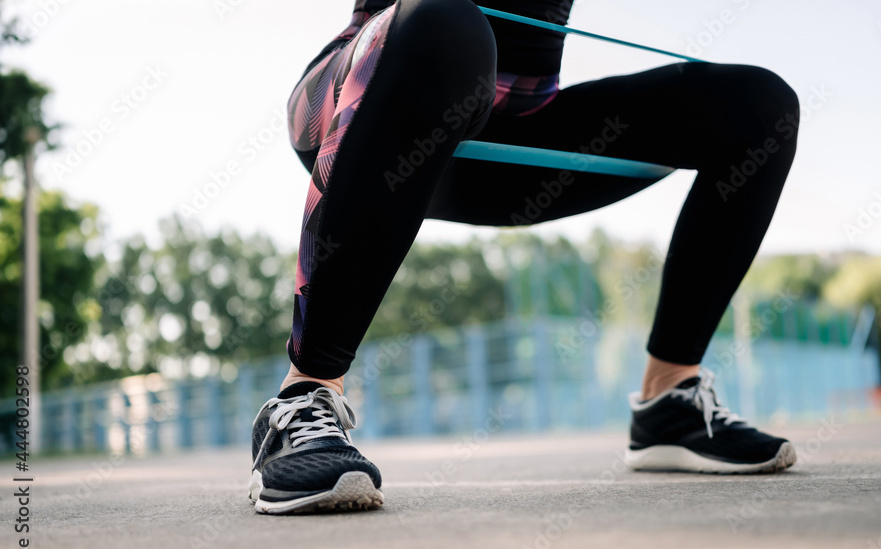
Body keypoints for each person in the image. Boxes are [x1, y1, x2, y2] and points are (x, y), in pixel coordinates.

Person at [248, 0, 800, 515]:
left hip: (518, 141)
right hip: (371, 93)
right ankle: (304, 397)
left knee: (759, 106)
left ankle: (670, 400)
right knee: (445, 22)